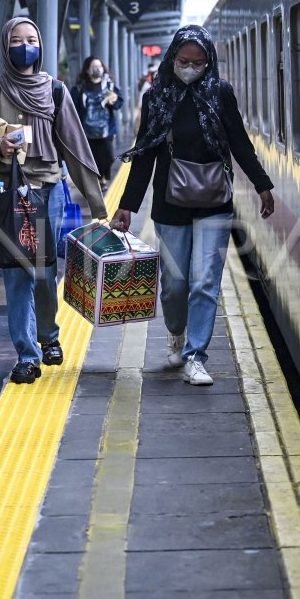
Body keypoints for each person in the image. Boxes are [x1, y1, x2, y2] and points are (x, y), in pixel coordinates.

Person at [112, 25, 275, 386]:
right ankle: (176, 333)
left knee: (204, 281)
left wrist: (262, 185)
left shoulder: (220, 93)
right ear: (172, 59)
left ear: (209, 62)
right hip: (170, 204)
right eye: (184, 61)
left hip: (215, 200)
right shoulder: (157, 97)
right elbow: (145, 154)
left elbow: (240, 143)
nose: (190, 68)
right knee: (174, 283)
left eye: (198, 62)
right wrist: (127, 205)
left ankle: (196, 357)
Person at [0, 17, 108, 384]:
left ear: (40, 47)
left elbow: (75, 147)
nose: (24, 46)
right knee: (15, 272)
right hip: (7, 193)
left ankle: (49, 337)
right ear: (6, 47)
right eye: (16, 40)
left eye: (31, 39)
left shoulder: (56, 91)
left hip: (47, 190)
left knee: (43, 271)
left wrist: (97, 202)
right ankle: (26, 355)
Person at [71, 56, 123, 189]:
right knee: (92, 157)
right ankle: (99, 180)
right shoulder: (79, 88)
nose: (97, 69)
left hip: (107, 129)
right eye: (94, 67)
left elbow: (119, 103)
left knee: (109, 156)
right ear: (87, 70)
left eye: (99, 66)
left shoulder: (109, 85)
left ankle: (103, 175)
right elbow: (73, 107)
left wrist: (113, 102)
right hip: (87, 130)